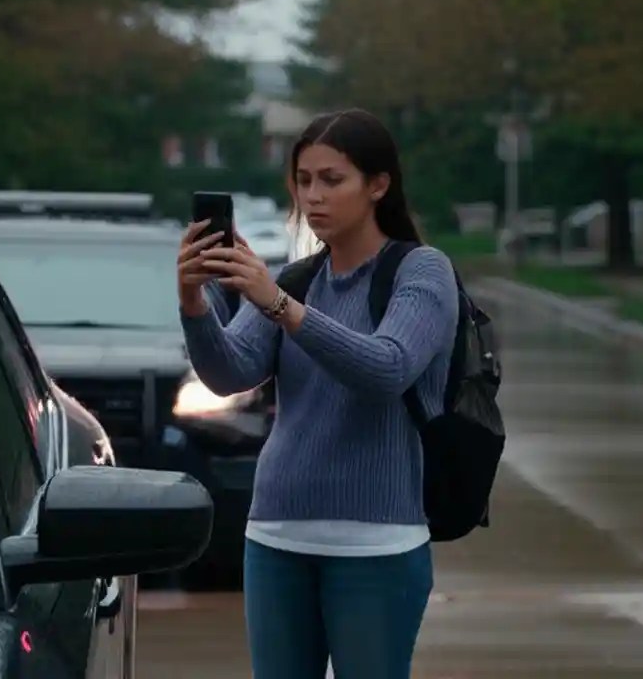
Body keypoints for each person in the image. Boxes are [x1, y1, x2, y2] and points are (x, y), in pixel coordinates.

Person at [176, 108, 459, 679]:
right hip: (276, 533)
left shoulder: (421, 272)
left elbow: (387, 368)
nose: (313, 196)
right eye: (303, 180)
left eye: (333, 180)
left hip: (376, 542)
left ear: (378, 185)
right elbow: (229, 373)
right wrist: (194, 305)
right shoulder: (297, 278)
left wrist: (278, 306)